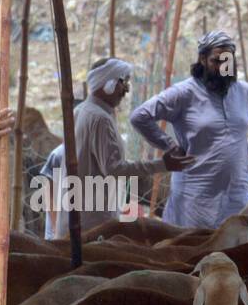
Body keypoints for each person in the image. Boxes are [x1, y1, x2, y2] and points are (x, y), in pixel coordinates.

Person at [130, 31, 248, 228]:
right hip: (194, 201)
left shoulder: (243, 92)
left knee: (239, 250)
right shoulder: (184, 93)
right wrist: (169, 146)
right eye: (217, 61)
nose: (223, 67)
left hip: (237, 197)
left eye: (228, 61)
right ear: (202, 59)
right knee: (191, 252)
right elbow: (140, 116)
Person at [62, 57, 196, 237]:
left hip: (77, 216)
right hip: (93, 223)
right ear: (107, 83)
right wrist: (163, 165)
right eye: (122, 82)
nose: (125, 91)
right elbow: (114, 169)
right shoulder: (100, 119)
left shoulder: (82, 111)